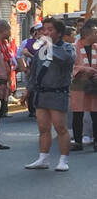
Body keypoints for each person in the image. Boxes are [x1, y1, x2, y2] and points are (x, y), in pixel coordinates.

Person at [25, 16, 75, 171]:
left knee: (60, 127)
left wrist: (50, 46)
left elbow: (66, 59)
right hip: (42, 93)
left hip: (58, 92)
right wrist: (28, 89)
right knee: (43, 127)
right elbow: (35, 71)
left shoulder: (68, 47)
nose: (45, 32)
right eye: (44, 29)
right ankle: (43, 158)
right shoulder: (41, 48)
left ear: (59, 33)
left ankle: (63, 160)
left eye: (50, 29)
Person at [70, 19, 97, 150]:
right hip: (79, 84)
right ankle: (78, 141)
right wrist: (84, 69)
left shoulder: (96, 47)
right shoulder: (74, 47)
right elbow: (70, 67)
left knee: (95, 113)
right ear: (88, 34)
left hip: (94, 84)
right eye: (95, 32)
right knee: (78, 113)